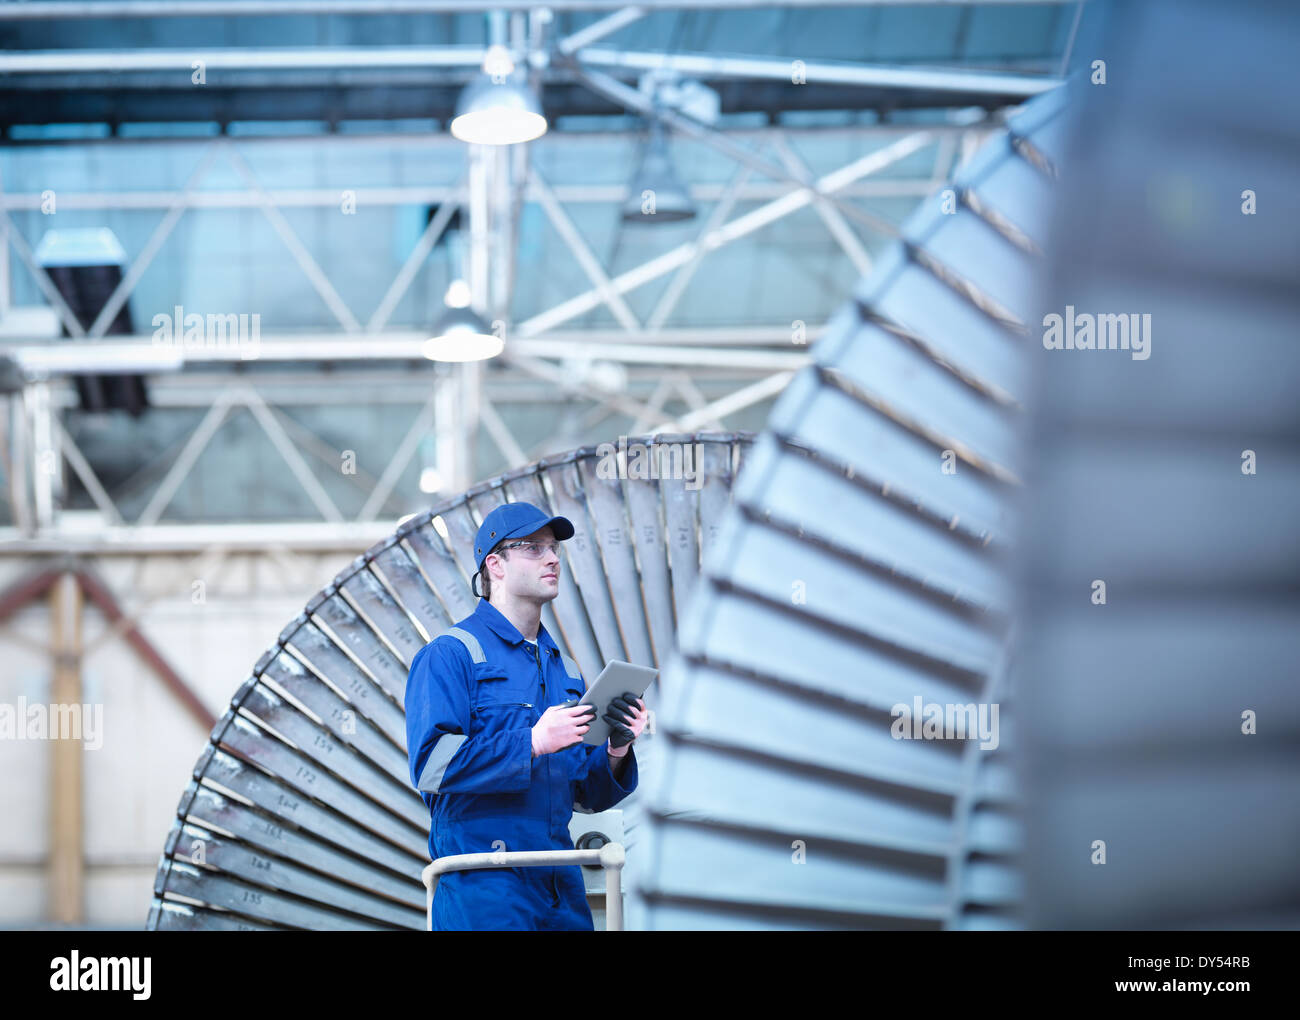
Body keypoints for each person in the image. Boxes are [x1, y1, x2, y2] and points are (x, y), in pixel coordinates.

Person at [405, 500, 648, 930]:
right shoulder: (450, 655)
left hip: (560, 886)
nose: (552, 557)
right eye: (534, 548)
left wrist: (617, 746)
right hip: (485, 888)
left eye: (553, 547)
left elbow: (584, 793)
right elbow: (431, 765)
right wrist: (531, 742)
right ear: (495, 565)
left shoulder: (565, 670)